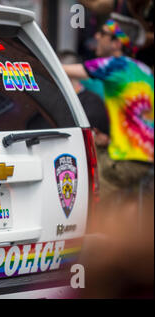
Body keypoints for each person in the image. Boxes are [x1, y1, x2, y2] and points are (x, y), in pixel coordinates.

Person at [63, 16, 154, 204]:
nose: (96, 35)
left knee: (81, 196)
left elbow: (60, 69)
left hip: (127, 160)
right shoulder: (143, 69)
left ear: (116, 43)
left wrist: (29, 61)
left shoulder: (115, 64)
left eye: (103, 33)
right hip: (144, 158)